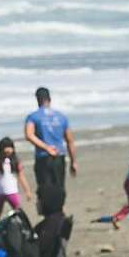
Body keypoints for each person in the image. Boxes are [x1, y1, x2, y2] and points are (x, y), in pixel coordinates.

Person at [25, 86, 77, 218]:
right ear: (50, 99)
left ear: (38, 99)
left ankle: (49, 217)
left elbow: (29, 135)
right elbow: (70, 140)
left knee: (45, 189)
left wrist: (45, 147)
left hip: (44, 157)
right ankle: (59, 214)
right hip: (59, 157)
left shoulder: (34, 117)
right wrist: (73, 161)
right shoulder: (61, 117)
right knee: (59, 187)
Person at [0, 136, 32, 218]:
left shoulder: (15, 161)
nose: (7, 150)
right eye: (5, 148)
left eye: (9, 147)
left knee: (18, 212)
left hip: (12, 191)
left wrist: (27, 191)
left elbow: (21, 176)